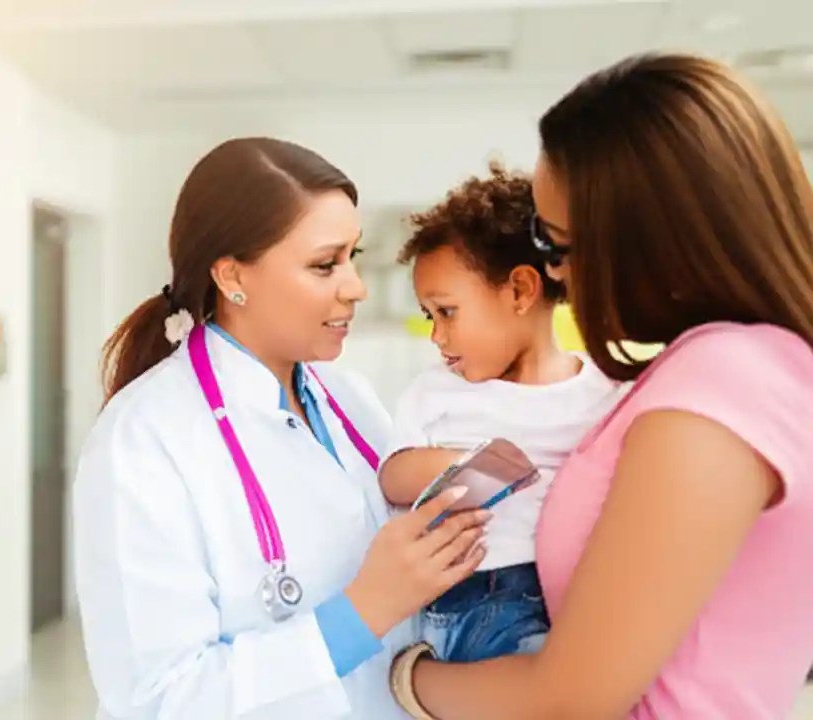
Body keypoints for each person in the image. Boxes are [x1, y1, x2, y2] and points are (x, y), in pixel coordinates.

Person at [388, 53, 813, 719]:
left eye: (558, 246)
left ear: (641, 241)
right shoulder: (726, 368)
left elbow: (567, 696)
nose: (559, 276)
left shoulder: (725, 383)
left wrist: (407, 679)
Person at [72, 137, 490, 719]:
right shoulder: (142, 438)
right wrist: (364, 610)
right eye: (325, 264)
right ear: (231, 275)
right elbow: (160, 701)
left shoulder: (351, 399)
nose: (356, 286)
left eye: (354, 256)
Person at [379, 164, 624, 664]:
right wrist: (476, 463)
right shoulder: (437, 394)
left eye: (446, 312)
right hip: (482, 594)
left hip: (584, 588)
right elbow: (393, 476)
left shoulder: (604, 390)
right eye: (430, 316)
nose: (437, 337)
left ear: (519, 291)